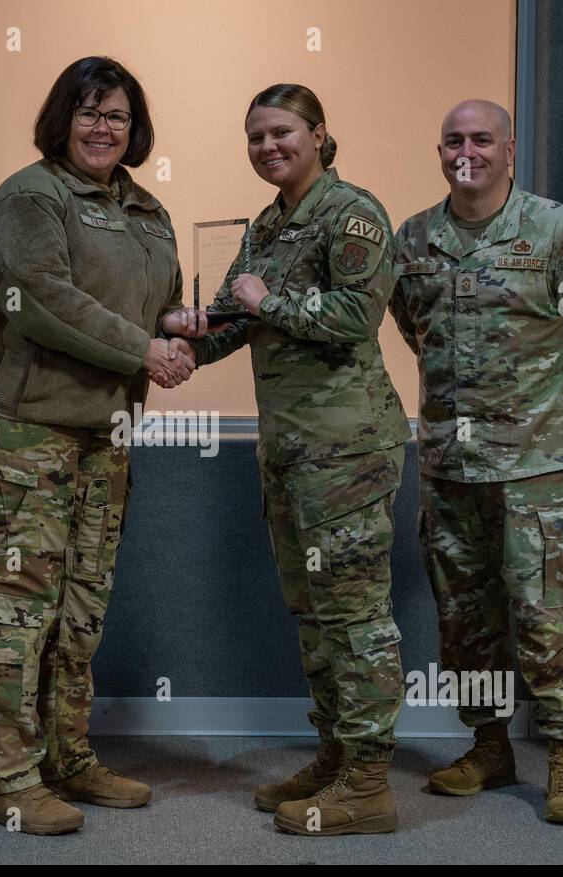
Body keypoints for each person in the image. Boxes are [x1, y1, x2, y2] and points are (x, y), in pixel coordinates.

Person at [0, 55, 197, 835]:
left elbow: (156, 307)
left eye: (118, 116)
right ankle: (4, 775)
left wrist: (181, 327)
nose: (104, 127)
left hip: (107, 438)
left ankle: (65, 755)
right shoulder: (31, 196)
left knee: (80, 613)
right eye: (90, 112)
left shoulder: (147, 211)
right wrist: (143, 348)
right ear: (62, 118)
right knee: (15, 612)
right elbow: (40, 302)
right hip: (26, 435)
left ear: (136, 131)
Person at [389, 99, 563, 824]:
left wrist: (554, 405)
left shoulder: (560, 233)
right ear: (440, 153)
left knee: (548, 613)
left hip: (541, 466)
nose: (469, 151)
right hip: (451, 464)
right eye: (455, 140)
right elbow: (414, 326)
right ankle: (490, 745)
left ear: (510, 149)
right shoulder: (415, 239)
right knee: (467, 618)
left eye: (483, 139)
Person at [174, 84, 408, 836]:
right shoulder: (270, 224)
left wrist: (266, 301)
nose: (268, 147)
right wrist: (180, 336)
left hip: (347, 448)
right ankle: (336, 756)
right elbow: (235, 321)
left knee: (357, 616)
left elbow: (354, 318)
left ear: (317, 134)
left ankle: (369, 783)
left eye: (281, 133)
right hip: (291, 448)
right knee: (313, 613)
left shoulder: (353, 213)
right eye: (256, 138)